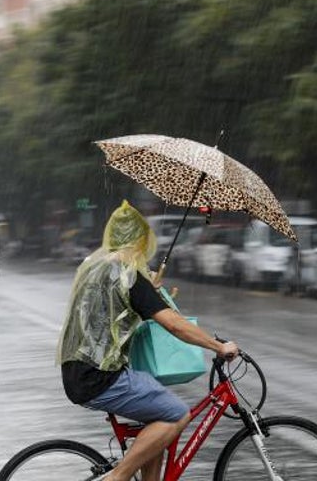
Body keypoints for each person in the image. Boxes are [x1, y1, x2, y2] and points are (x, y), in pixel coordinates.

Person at [57, 200, 238, 481]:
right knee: (176, 414)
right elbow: (174, 325)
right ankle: (118, 477)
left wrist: (148, 291)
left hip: (76, 371)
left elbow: (109, 313)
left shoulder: (95, 269)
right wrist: (218, 346)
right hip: (101, 376)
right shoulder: (130, 277)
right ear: (140, 242)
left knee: (157, 417)